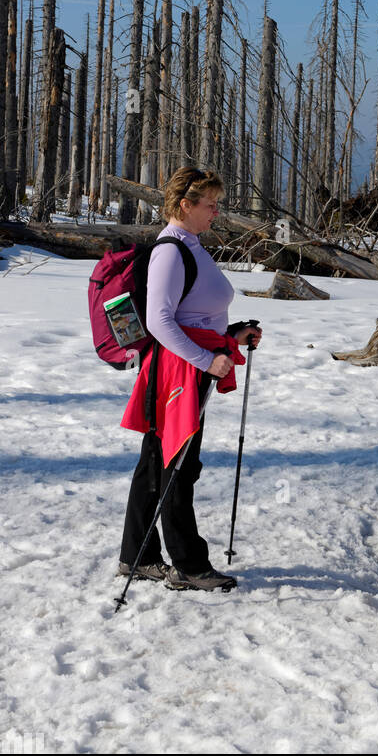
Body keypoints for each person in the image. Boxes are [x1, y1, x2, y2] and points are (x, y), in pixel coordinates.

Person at [117, 166, 263, 591]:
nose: (217, 212)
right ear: (186, 205)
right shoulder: (170, 250)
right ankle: (188, 565)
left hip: (191, 363)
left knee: (156, 459)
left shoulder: (191, 244)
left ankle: (137, 556)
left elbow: (194, 312)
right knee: (178, 464)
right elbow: (161, 321)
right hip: (179, 370)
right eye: (210, 204)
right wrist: (205, 359)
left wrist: (231, 336)